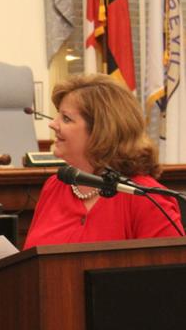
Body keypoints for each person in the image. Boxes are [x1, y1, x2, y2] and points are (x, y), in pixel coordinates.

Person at [24, 74, 183, 248]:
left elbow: (169, 272)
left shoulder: (145, 198)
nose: (53, 124)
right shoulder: (54, 186)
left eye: (66, 118)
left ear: (100, 131)